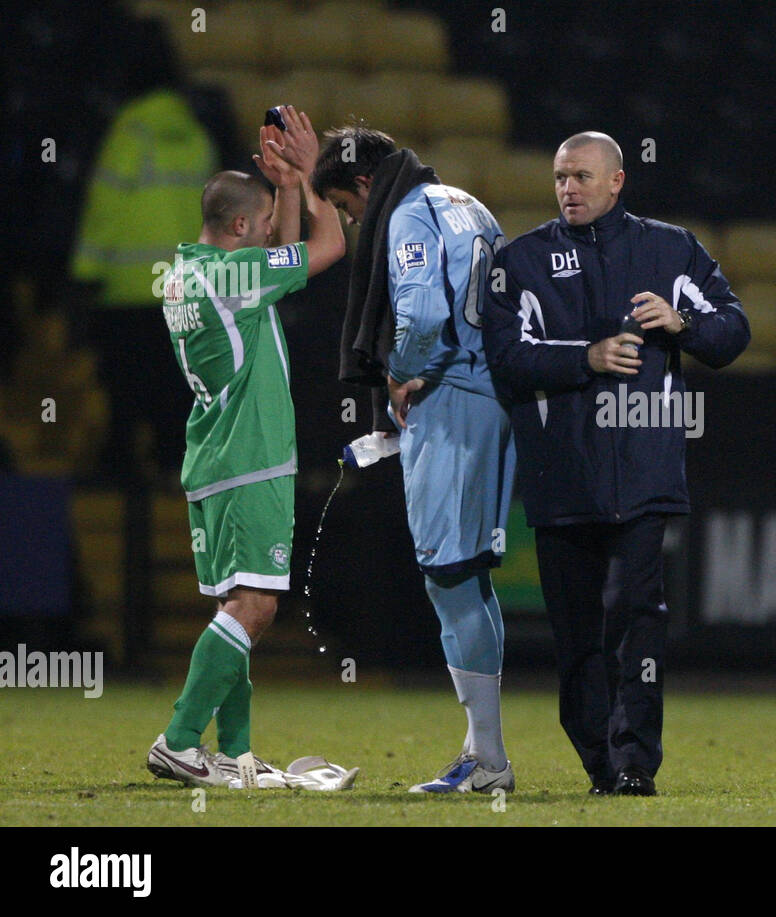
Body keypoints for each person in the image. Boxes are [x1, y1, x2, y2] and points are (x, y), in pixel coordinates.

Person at [482, 132, 750, 796]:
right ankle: (599, 758)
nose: (567, 187)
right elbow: (505, 363)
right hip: (561, 476)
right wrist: (588, 357)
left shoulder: (671, 248)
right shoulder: (520, 260)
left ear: (616, 181)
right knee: (577, 633)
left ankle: (633, 761)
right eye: (559, 177)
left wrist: (682, 321)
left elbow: (734, 331)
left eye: (580, 176)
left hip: (645, 474)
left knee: (638, 620)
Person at [276, 123, 517, 794]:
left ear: (362, 186)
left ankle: (489, 762)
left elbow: (419, 315)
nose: (356, 225)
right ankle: (485, 752)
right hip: (493, 394)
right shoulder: (466, 202)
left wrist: (401, 375)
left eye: (350, 210)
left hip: (451, 398)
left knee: (446, 574)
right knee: (470, 576)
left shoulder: (408, 214)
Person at [146, 107, 347, 786]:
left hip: (212, 456)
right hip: (249, 458)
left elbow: (280, 261)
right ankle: (178, 738)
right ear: (239, 228)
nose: (267, 234)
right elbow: (329, 249)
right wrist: (312, 174)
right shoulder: (235, 279)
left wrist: (285, 192)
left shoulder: (191, 273)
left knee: (236, 604)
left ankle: (233, 754)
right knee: (256, 607)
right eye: (258, 224)